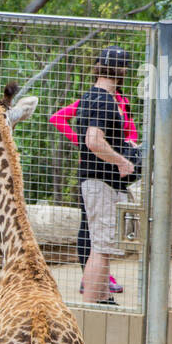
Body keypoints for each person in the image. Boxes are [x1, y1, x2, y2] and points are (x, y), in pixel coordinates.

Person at [50, 81, 138, 296]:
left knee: (107, 230)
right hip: (93, 169)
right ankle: (89, 278)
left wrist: (129, 145)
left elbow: (130, 130)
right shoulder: (94, 100)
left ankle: (100, 280)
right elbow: (57, 118)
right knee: (88, 223)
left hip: (117, 169)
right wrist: (82, 143)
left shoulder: (122, 101)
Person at [77, 46, 139, 304]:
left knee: (100, 246)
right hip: (100, 180)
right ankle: (93, 306)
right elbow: (94, 141)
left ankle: (102, 299)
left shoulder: (92, 96)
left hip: (98, 180)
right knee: (102, 249)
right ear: (122, 69)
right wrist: (122, 161)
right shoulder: (103, 100)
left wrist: (127, 148)